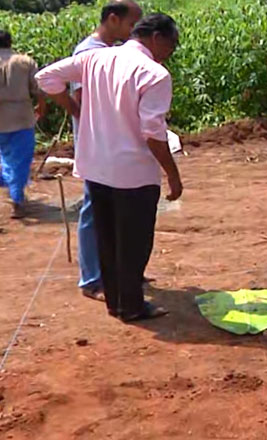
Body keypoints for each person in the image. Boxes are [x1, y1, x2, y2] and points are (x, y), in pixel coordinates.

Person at [36, 14, 183, 322]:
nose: (172, 50)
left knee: (107, 238)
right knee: (134, 242)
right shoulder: (154, 73)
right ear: (157, 38)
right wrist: (172, 174)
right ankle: (130, 306)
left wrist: (75, 109)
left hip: (97, 166)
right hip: (133, 173)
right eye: (172, 44)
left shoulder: (95, 58)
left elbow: (45, 78)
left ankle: (115, 303)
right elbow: (153, 133)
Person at [72, 0, 143, 302]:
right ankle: (92, 278)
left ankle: (114, 270)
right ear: (113, 19)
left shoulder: (111, 51)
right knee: (94, 208)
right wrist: (89, 123)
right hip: (97, 144)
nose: (133, 33)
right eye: (131, 25)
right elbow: (74, 95)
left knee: (114, 207)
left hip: (109, 142)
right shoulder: (88, 53)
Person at [0, 30, 46, 219]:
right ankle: (17, 199)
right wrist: (41, 108)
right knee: (20, 160)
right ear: (10, 42)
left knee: (6, 158)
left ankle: (12, 189)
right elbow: (39, 89)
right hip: (21, 116)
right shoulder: (25, 62)